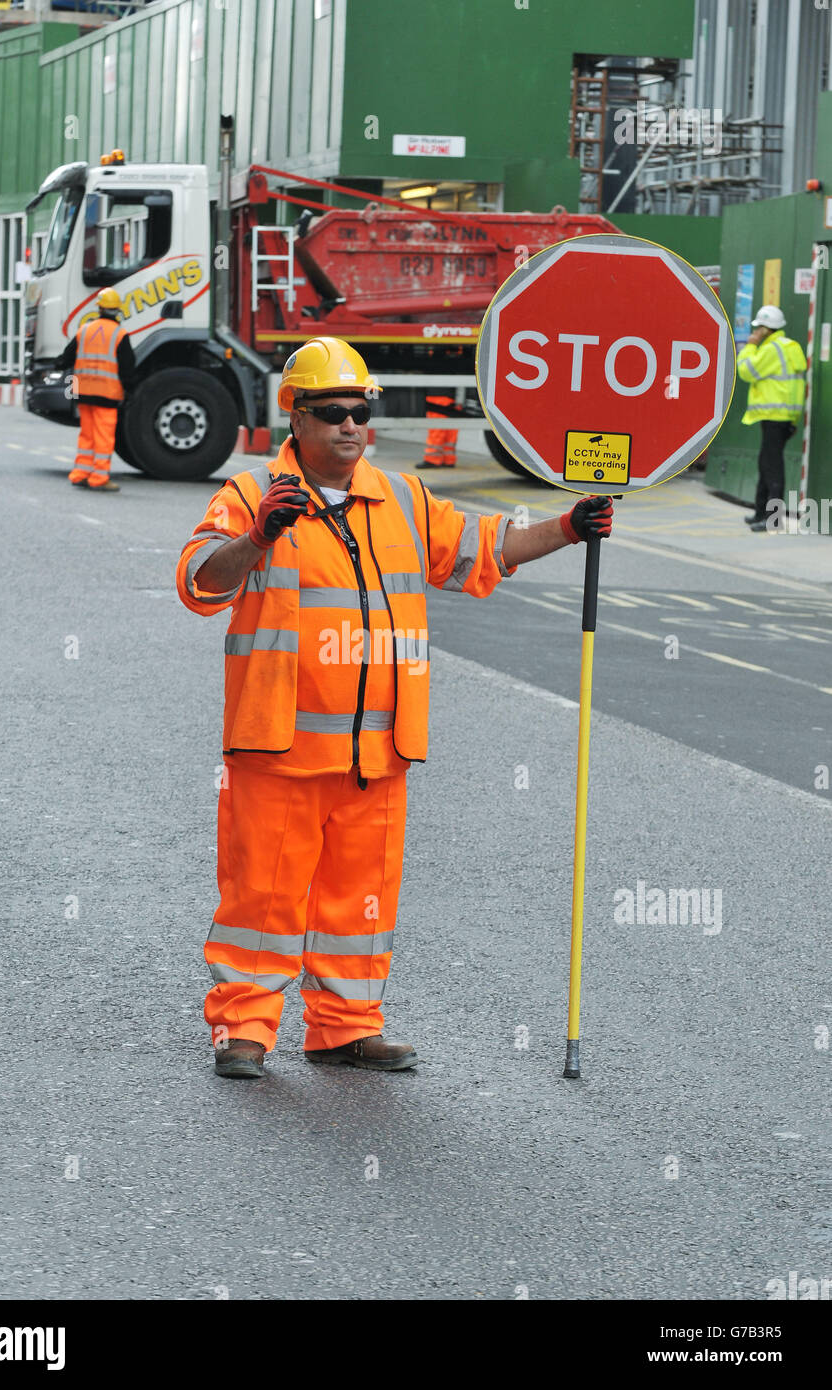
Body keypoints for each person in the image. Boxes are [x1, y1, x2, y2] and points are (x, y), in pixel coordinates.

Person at [176, 335, 613, 1080]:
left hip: (378, 752)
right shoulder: (255, 498)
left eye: (362, 410)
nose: (352, 424)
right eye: (334, 412)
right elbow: (200, 583)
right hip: (279, 746)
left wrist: (567, 529)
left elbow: (484, 549)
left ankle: (345, 1026)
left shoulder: (402, 500)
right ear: (298, 418)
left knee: (360, 904)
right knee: (263, 898)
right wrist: (258, 537)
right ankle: (243, 1028)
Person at [55, 287, 135, 491]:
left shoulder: (84, 330)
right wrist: (129, 390)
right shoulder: (119, 334)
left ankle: (80, 473)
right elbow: (127, 367)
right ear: (117, 310)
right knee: (104, 437)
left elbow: (66, 357)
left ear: (99, 309)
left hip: (83, 392)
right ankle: (99, 478)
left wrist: (56, 364)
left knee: (87, 435)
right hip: (107, 395)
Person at [736, 305, 806, 532]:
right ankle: (760, 512)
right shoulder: (789, 347)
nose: (755, 332)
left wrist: (750, 346)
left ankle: (772, 518)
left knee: (772, 466)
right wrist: (794, 420)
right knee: (766, 462)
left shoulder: (771, 349)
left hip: (774, 415)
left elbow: (746, 370)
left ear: (767, 329)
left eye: (758, 328)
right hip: (784, 416)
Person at [417, 393, 458, 470]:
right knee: (450, 427)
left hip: (438, 394)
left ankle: (432, 459)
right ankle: (448, 459)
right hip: (454, 393)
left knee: (437, 427)